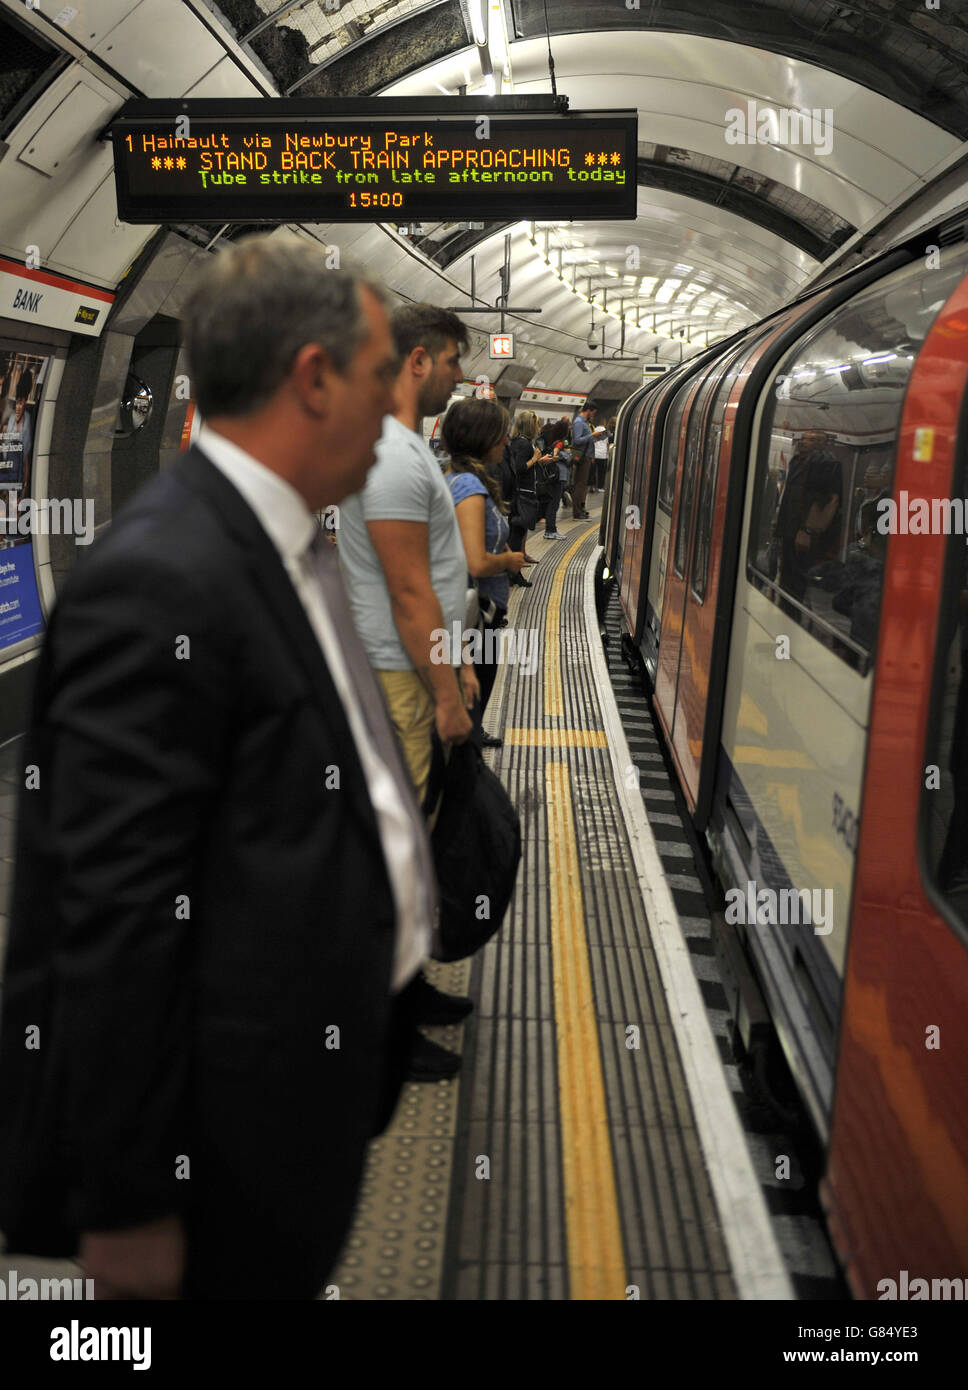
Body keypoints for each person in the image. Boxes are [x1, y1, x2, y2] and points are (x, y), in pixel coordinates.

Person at [0, 234, 436, 1300]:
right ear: (313, 377)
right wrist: (133, 1201)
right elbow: (117, 914)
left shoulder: (284, 540)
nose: (392, 411)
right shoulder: (165, 578)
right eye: (382, 378)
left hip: (294, 1095)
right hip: (209, 1144)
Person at [338, 303, 479, 1081]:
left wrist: (455, 666)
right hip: (396, 676)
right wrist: (446, 690)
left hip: (410, 669)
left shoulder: (406, 448)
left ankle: (408, 989)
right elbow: (408, 589)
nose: (461, 378)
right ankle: (379, 1038)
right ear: (419, 360)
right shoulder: (391, 456)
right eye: (455, 362)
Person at [442, 398, 527, 712]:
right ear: (483, 438)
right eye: (500, 434)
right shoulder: (469, 487)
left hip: (473, 614)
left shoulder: (454, 479)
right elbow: (475, 561)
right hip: (476, 615)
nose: (506, 440)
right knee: (472, 705)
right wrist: (509, 561)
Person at [506, 409, 546, 584]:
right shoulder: (523, 444)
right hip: (523, 494)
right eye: (536, 424)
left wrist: (539, 460)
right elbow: (521, 468)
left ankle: (512, 572)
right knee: (517, 534)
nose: (539, 428)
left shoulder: (516, 442)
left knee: (515, 533)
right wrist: (535, 458)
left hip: (519, 493)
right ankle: (514, 574)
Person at [539, 418, 572, 540]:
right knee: (554, 504)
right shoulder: (559, 443)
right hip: (558, 476)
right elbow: (555, 454)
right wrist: (566, 455)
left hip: (555, 475)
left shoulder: (553, 441)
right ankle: (550, 530)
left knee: (553, 503)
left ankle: (551, 529)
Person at [571, 401, 603, 518]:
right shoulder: (579, 422)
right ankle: (577, 512)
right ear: (588, 411)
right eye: (593, 413)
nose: (593, 416)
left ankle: (579, 510)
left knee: (583, 484)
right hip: (582, 457)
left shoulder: (584, 422)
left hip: (587, 456)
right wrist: (592, 435)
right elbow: (577, 440)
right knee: (580, 484)